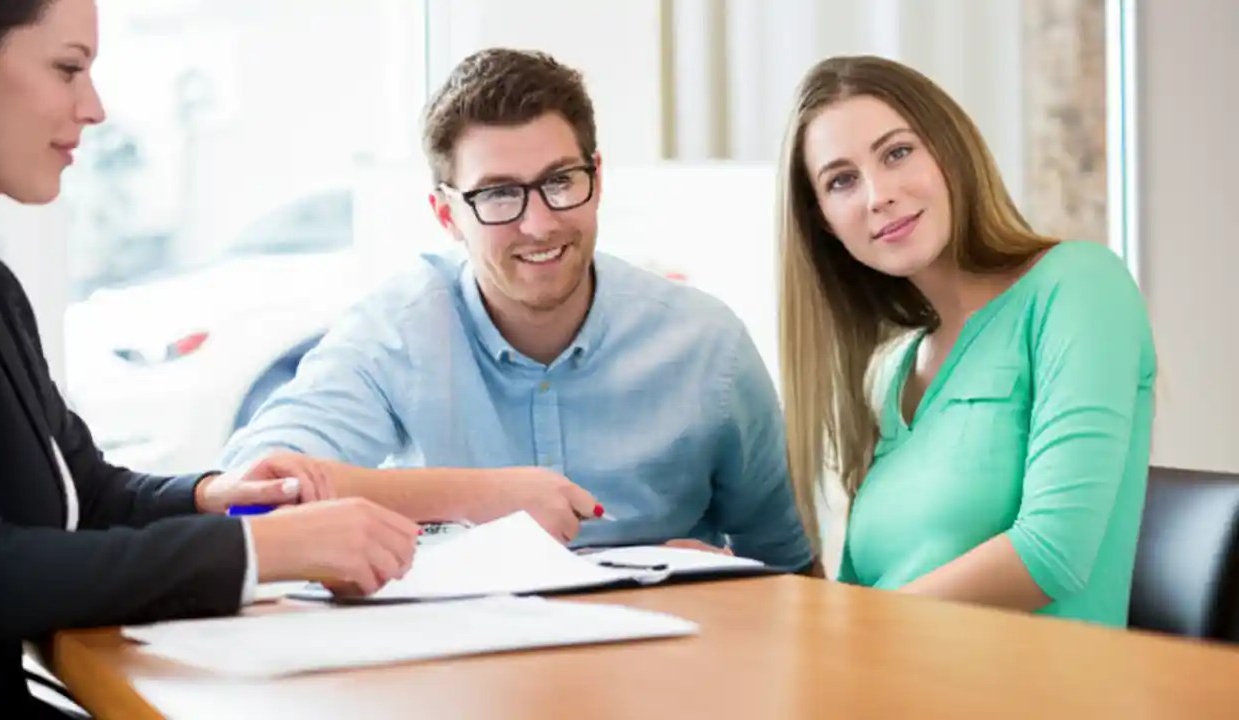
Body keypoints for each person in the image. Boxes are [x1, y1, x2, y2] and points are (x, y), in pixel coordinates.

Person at [0, 1, 418, 714]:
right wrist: (270, 552)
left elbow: (82, 489)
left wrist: (216, 498)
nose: (95, 107)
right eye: (67, 68)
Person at [220, 48, 814, 571]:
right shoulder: (395, 334)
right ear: (446, 214)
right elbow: (253, 491)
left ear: (598, 178)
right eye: (499, 195)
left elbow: (788, 564)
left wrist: (721, 583)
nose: (539, 223)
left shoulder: (708, 346)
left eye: (560, 181)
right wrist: (477, 496)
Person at [775, 55, 1155, 626]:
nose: (878, 195)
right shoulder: (889, 370)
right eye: (842, 180)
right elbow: (860, 592)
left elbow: (1053, 554)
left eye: (897, 152)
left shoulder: (1077, 285)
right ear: (824, 221)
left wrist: (853, 629)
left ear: (949, 150)